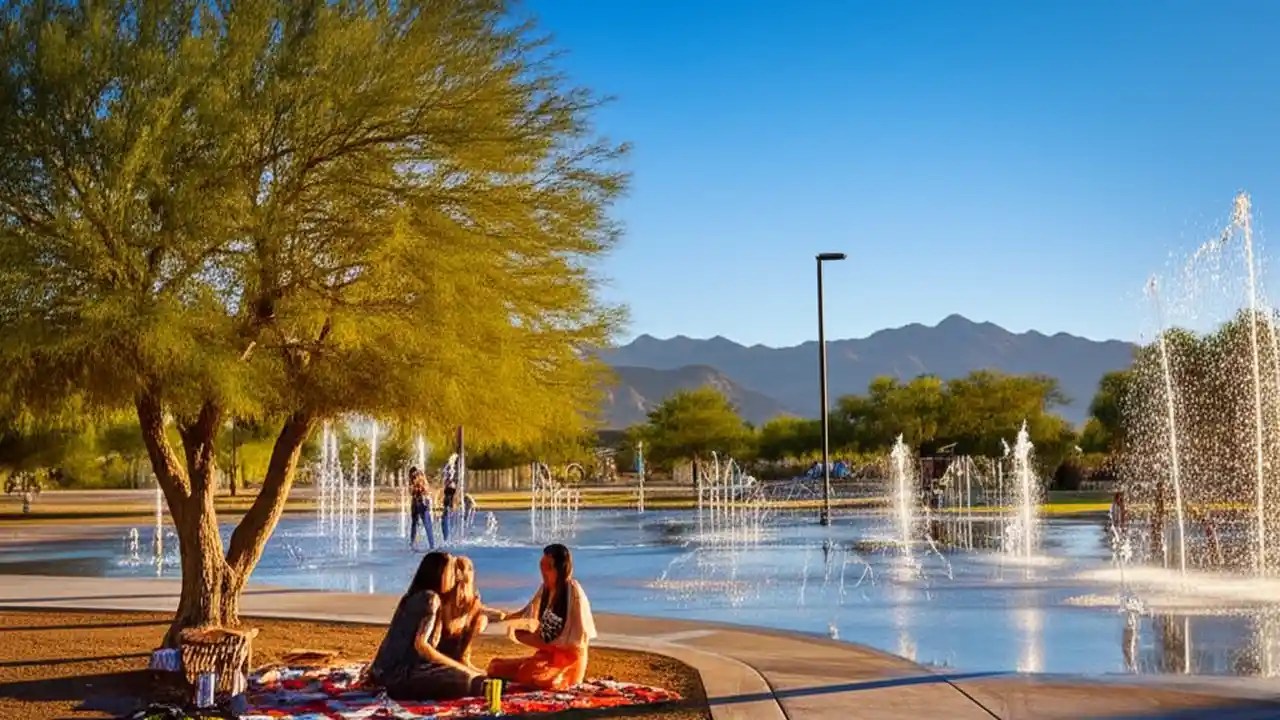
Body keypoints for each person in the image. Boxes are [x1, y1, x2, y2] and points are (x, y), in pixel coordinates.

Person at [368, 552, 486, 700]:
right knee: (463, 680)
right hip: (398, 675)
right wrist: (463, 669)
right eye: (451, 571)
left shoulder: (416, 596)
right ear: (439, 573)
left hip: (386, 672)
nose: (455, 576)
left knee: (461, 676)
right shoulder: (430, 598)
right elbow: (422, 646)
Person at [486, 544, 596, 691]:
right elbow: (527, 612)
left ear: (560, 568)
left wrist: (530, 639)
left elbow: (576, 642)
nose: (543, 571)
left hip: (568, 660)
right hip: (547, 656)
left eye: (548, 567)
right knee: (495, 667)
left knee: (542, 680)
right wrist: (504, 619)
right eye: (542, 566)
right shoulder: (545, 588)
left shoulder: (573, 592)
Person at [438, 555, 506, 670]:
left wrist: (501, 614)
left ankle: (463, 657)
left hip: (455, 637)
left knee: (483, 618)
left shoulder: (471, 595)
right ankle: (462, 659)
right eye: (469, 569)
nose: (472, 572)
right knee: (481, 619)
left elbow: (480, 609)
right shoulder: (446, 594)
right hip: (444, 639)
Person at [409, 467, 434, 550]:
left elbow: (425, 491)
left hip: (421, 504)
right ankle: (430, 545)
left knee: (425, 524)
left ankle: (430, 545)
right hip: (418, 503)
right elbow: (413, 492)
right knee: (421, 524)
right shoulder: (418, 479)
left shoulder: (419, 479)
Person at [441, 474, 458, 542]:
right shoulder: (451, 485)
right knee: (446, 521)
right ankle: (447, 538)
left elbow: (452, 494)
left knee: (446, 521)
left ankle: (446, 538)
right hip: (449, 505)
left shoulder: (451, 487)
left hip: (449, 505)